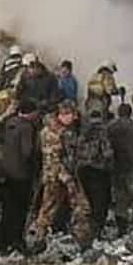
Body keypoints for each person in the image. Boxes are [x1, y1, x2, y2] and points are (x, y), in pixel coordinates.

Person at [28, 99, 92, 250]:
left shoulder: (50, 130)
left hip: (54, 175)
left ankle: (38, 240)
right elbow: (60, 158)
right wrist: (68, 177)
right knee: (81, 207)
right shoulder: (59, 133)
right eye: (71, 114)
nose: (74, 118)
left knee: (48, 209)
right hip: (62, 176)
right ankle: (84, 241)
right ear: (63, 114)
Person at [0, 99, 39, 251]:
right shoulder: (27, 127)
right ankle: (16, 240)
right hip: (21, 174)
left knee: (8, 208)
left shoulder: (9, 123)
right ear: (31, 113)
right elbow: (27, 151)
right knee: (20, 208)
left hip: (6, 172)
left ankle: (2, 239)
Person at [108, 102, 133, 235]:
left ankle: (122, 227)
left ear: (118, 113)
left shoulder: (111, 127)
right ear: (130, 113)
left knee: (120, 198)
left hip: (117, 168)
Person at [76, 97, 115, 237]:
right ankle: (96, 229)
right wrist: (110, 164)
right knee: (100, 200)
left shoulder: (83, 130)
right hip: (98, 169)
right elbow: (107, 151)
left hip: (82, 169)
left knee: (87, 200)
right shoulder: (102, 130)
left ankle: (86, 228)